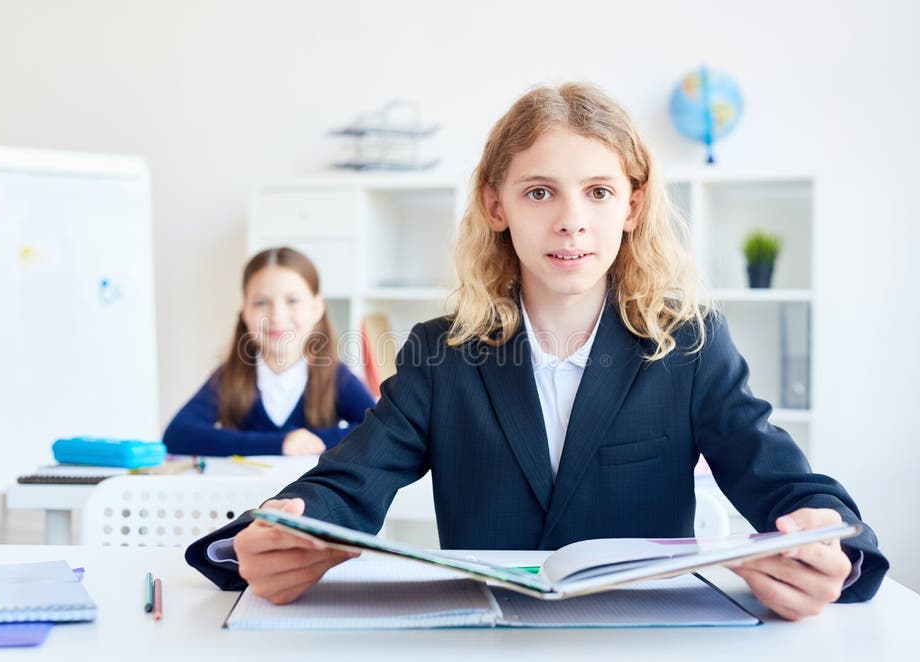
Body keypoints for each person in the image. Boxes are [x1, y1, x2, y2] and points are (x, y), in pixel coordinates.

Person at [185, 83, 888, 620]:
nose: (571, 219)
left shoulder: (690, 346)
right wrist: (278, 531)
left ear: (632, 207)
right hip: (485, 639)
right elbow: (343, 484)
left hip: (650, 644)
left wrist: (833, 549)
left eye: (599, 191)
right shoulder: (439, 356)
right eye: (540, 192)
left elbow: (789, 486)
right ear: (497, 207)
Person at [163, 247, 375, 456]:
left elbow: (377, 431)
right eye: (261, 302)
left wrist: (312, 441)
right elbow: (178, 435)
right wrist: (280, 444)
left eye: (292, 301)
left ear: (316, 308)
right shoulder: (229, 378)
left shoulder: (335, 377)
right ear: (245, 311)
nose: (277, 316)